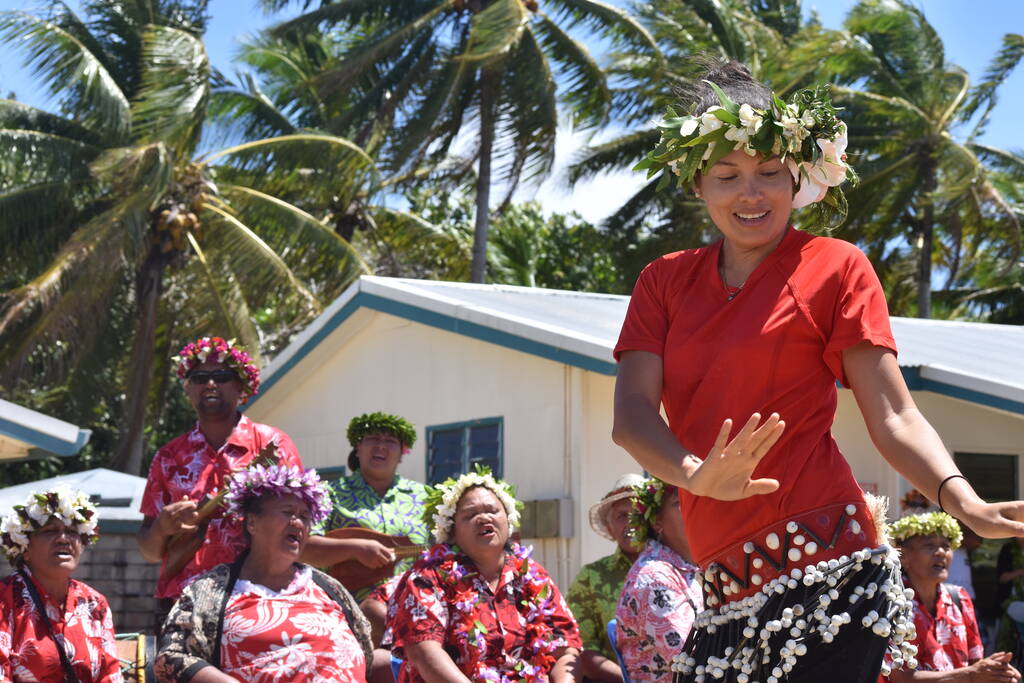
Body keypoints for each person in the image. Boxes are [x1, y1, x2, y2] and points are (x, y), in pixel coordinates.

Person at [614, 57, 1024, 682]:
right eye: (727, 176)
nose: (750, 193)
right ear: (697, 184)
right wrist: (696, 476)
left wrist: (966, 503)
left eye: (769, 173)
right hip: (724, 590)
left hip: (834, 572)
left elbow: (892, 413)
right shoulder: (662, 281)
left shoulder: (835, 266)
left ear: (798, 178)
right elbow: (632, 415)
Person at [136, 336, 375, 627]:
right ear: (188, 388)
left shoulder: (274, 444)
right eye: (199, 377)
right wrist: (162, 527)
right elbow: (148, 551)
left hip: (257, 600)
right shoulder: (168, 457)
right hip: (181, 603)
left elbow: (298, 528)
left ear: (241, 387)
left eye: (222, 376)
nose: (210, 384)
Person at [154, 463, 373, 682]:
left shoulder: (329, 588)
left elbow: (367, 652)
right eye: (288, 512)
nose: (298, 522)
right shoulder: (210, 590)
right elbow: (171, 658)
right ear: (252, 522)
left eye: (305, 517)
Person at [387, 466, 581, 682]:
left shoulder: (533, 575)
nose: (484, 518)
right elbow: (424, 653)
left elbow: (565, 647)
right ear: (452, 532)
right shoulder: (427, 577)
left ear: (508, 520)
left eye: (493, 510)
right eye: (470, 515)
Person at [0, 486, 122, 681]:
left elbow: (110, 675)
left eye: (73, 531)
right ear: (25, 548)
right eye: (50, 531)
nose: (64, 539)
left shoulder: (94, 603)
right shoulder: (5, 599)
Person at [886, 511, 1019, 681]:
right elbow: (900, 677)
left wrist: (993, 671)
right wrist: (971, 674)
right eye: (929, 546)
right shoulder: (891, 605)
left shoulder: (960, 599)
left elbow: (975, 665)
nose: (941, 552)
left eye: (946, 546)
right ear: (903, 556)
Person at [615, 478, 702, 682]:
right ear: (657, 522)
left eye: (697, 500)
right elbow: (691, 660)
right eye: (679, 502)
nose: (693, 508)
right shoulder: (654, 578)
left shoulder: (692, 568)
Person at [567, 474, 645, 683]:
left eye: (638, 514)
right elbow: (581, 649)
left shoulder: (680, 568)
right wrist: (634, 680)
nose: (630, 522)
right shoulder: (591, 577)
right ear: (609, 526)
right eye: (621, 515)